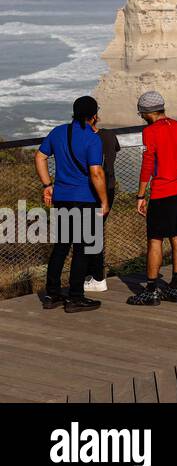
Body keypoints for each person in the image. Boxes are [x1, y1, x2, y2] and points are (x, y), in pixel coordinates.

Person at [35, 96, 110, 313]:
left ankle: (52, 294)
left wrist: (47, 185)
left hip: (62, 199)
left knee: (61, 247)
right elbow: (96, 173)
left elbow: (40, 157)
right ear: (93, 115)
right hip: (84, 200)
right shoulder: (92, 138)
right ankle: (75, 297)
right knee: (82, 249)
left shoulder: (59, 132)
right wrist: (104, 201)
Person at [128, 91, 177, 306]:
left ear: (147, 112)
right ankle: (175, 288)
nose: (141, 115)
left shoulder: (149, 132)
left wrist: (140, 195)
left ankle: (151, 291)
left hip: (162, 192)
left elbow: (148, 165)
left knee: (155, 240)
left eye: (141, 112)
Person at [84, 113, 120, 292]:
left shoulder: (86, 139)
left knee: (90, 234)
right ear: (96, 116)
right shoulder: (109, 135)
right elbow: (115, 152)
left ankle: (96, 277)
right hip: (110, 187)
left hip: (93, 190)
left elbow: (93, 170)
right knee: (94, 232)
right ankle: (94, 276)